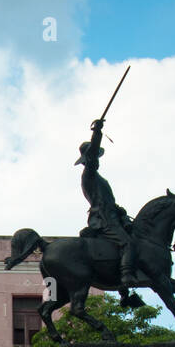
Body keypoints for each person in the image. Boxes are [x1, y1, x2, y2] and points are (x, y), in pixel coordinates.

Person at [75, 117, 139, 291]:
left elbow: (107, 200)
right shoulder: (88, 174)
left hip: (112, 216)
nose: (96, 159)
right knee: (128, 244)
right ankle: (126, 277)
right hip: (103, 220)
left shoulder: (99, 179)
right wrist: (97, 133)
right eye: (93, 156)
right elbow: (93, 152)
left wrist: (118, 209)